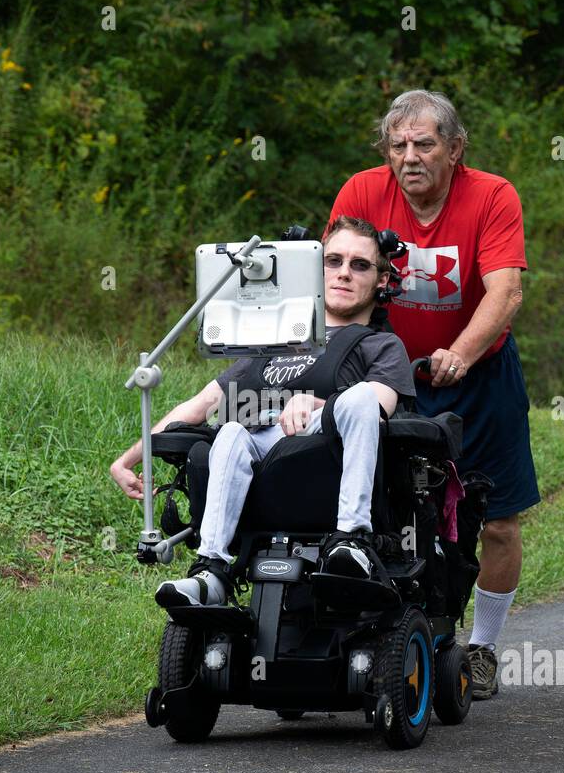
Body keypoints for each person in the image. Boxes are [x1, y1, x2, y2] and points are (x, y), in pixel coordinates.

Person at [326, 89, 540, 699]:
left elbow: (506, 293)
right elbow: (335, 280)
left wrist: (460, 356)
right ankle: (377, 637)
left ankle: (483, 650)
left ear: (455, 148)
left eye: (424, 144)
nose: (409, 157)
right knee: (383, 507)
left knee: (496, 521)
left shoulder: (492, 195)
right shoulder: (362, 192)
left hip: (482, 377)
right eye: (398, 146)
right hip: (387, 373)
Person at [110, 216, 416, 608]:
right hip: (262, 454)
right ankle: (212, 570)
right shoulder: (272, 343)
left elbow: (378, 406)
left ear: (380, 280)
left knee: (357, 398)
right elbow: (199, 405)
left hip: (326, 446)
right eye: (333, 261)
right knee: (230, 431)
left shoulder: (381, 346)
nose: (343, 273)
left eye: (360, 265)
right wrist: (131, 459)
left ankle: (351, 541)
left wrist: (318, 403)